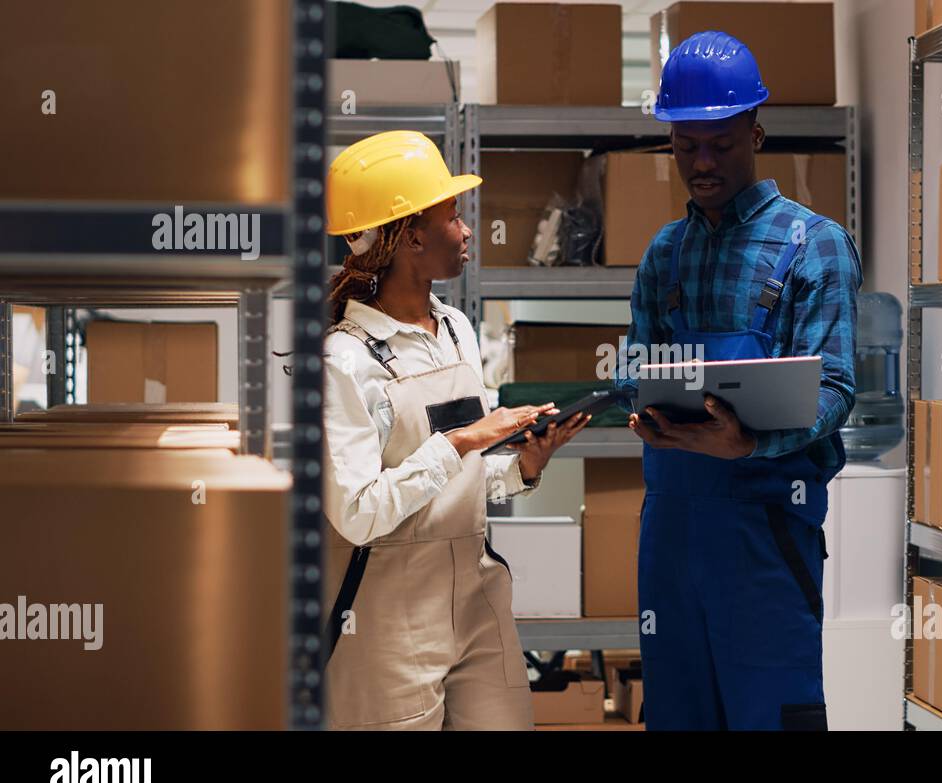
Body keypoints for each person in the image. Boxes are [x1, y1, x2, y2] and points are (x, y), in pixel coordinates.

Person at [614, 32, 862, 731]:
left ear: (755, 131)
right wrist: (641, 407)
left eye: (719, 144)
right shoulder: (665, 254)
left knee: (770, 713)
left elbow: (836, 389)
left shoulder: (814, 245)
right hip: (672, 527)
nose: (701, 162)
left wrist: (749, 445)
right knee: (677, 712)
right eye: (685, 144)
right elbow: (641, 366)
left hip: (765, 527)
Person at [321, 130, 589, 730]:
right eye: (453, 216)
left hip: (478, 597)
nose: (468, 231)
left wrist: (521, 466)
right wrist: (463, 440)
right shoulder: (344, 361)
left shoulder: (457, 330)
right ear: (410, 234)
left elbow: (461, 482)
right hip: (388, 617)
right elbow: (359, 512)